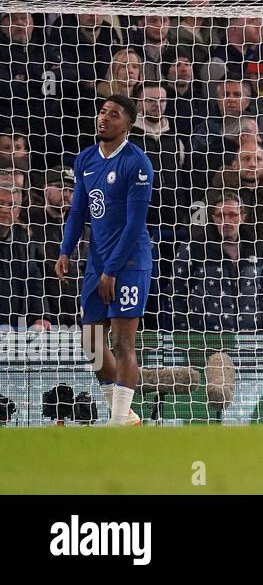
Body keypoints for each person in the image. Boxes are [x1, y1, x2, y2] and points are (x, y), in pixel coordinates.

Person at [53, 94, 156, 426]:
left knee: (123, 343)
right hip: (96, 263)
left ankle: (117, 421)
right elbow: (79, 211)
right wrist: (65, 251)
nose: (104, 118)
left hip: (128, 262)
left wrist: (111, 270)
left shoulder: (137, 163)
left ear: (128, 124)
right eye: (102, 112)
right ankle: (125, 416)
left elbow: (134, 223)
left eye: (113, 115)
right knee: (92, 343)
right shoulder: (85, 159)